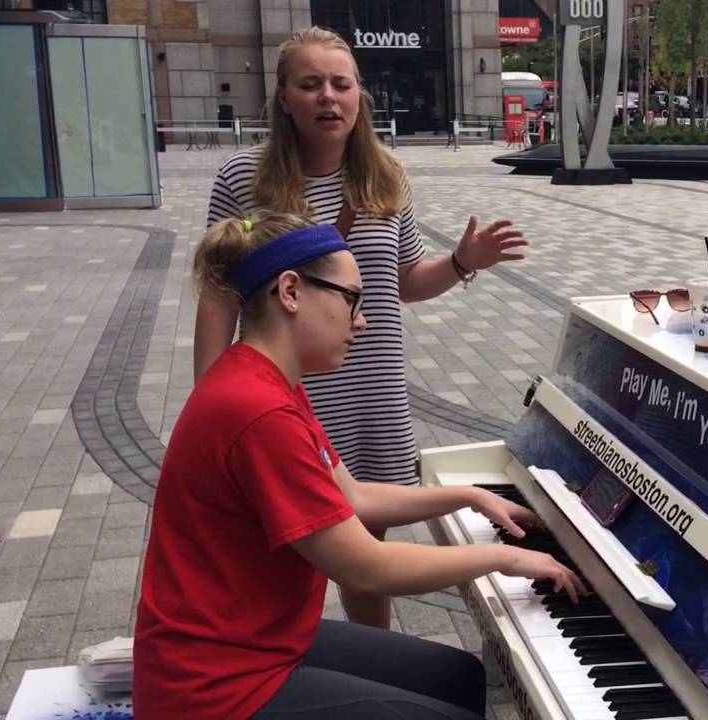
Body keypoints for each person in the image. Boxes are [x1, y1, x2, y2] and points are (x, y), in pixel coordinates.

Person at [134, 212, 586, 720]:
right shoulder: (257, 410)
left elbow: (353, 497)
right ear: (290, 292)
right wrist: (504, 560)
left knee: (458, 677)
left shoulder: (271, 380)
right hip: (215, 689)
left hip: (260, 641)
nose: (363, 320)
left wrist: (470, 496)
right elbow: (365, 566)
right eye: (352, 298)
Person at [195, 27, 527, 630]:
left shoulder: (384, 175)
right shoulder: (244, 179)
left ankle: (370, 652)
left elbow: (402, 282)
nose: (328, 97)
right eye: (310, 84)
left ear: (359, 95)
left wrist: (461, 263)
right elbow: (219, 293)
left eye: (340, 84)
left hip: (371, 387)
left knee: (365, 549)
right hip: (287, 392)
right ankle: (283, 654)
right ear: (284, 98)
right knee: (286, 547)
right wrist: (212, 404)